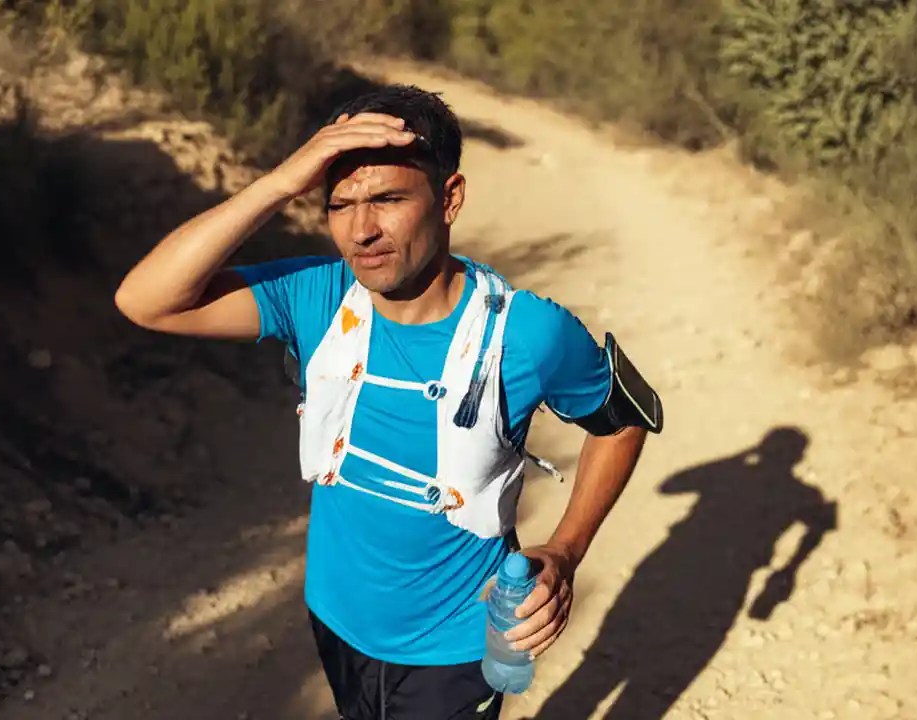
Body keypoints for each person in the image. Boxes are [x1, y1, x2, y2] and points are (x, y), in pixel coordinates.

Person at [114, 84, 662, 720]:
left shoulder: (525, 334)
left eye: (387, 199)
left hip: (453, 648)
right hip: (335, 619)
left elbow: (621, 421)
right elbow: (146, 301)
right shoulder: (316, 296)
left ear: (449, 199)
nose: (361, 231)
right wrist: (279, 184)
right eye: (339, 205)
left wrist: (567, 551)